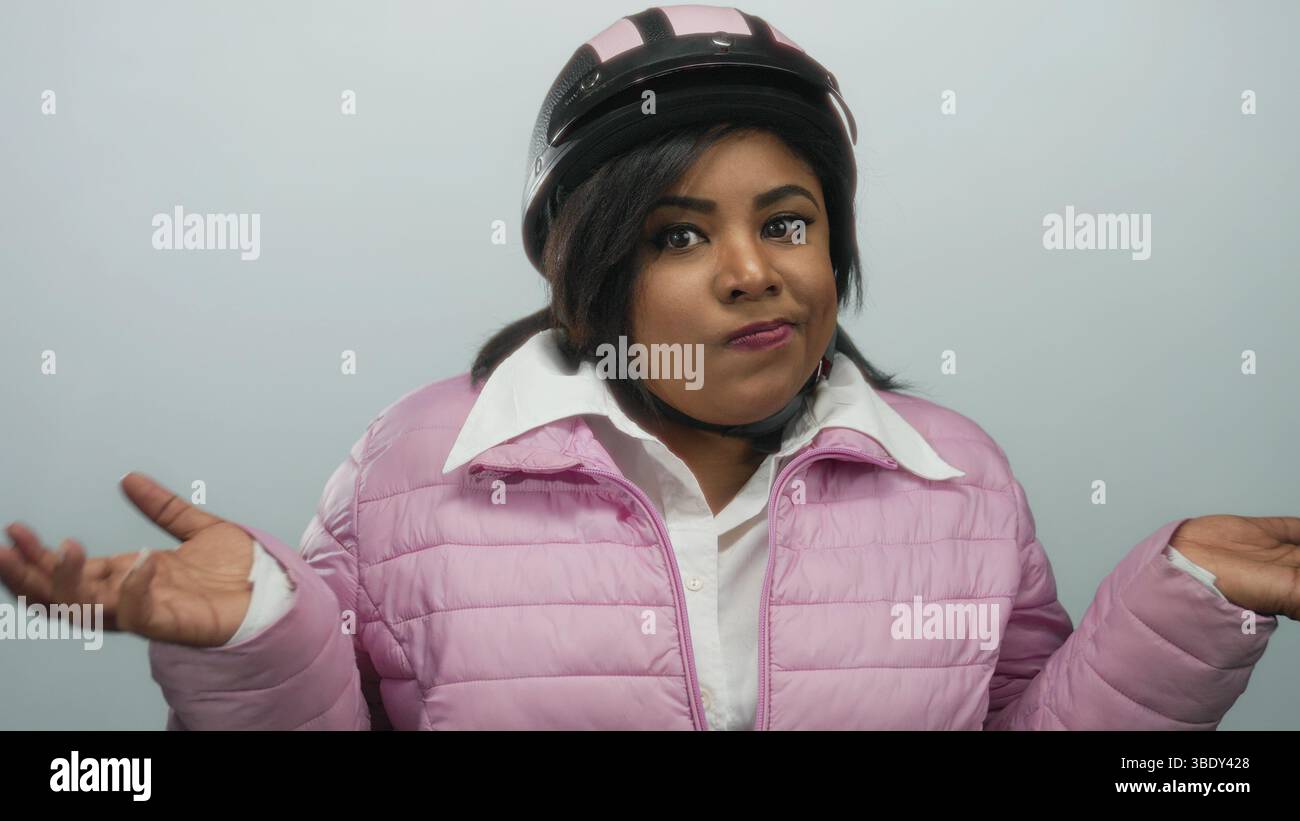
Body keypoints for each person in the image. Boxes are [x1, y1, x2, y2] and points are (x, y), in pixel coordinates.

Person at [2, 4, 1293, 731]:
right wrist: (255, 643)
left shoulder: (958, 477)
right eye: (681, 234)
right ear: (595, 270)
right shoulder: (419, 466)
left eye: (788, 220)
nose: (753, 269)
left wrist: (1183, 604)